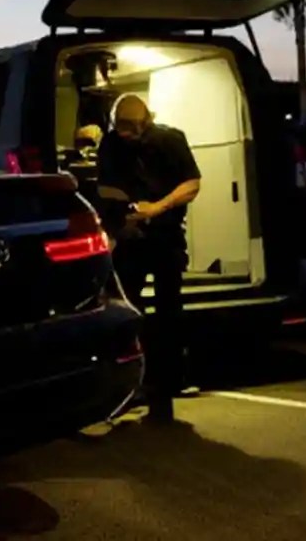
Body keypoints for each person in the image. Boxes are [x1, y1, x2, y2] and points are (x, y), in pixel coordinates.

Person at [96, 94, 201, 422]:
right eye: (120, 127)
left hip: (165, 236)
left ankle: (170, 381)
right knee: (128, 311)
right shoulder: (111, 145)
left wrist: (157, 208)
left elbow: (192, 184)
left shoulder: (170, 140)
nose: (124, 133)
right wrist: (120, 223)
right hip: (131, 239)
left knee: (170, 310)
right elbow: (105, 187)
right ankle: (129, 384)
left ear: (145, 121)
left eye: (130, 127)